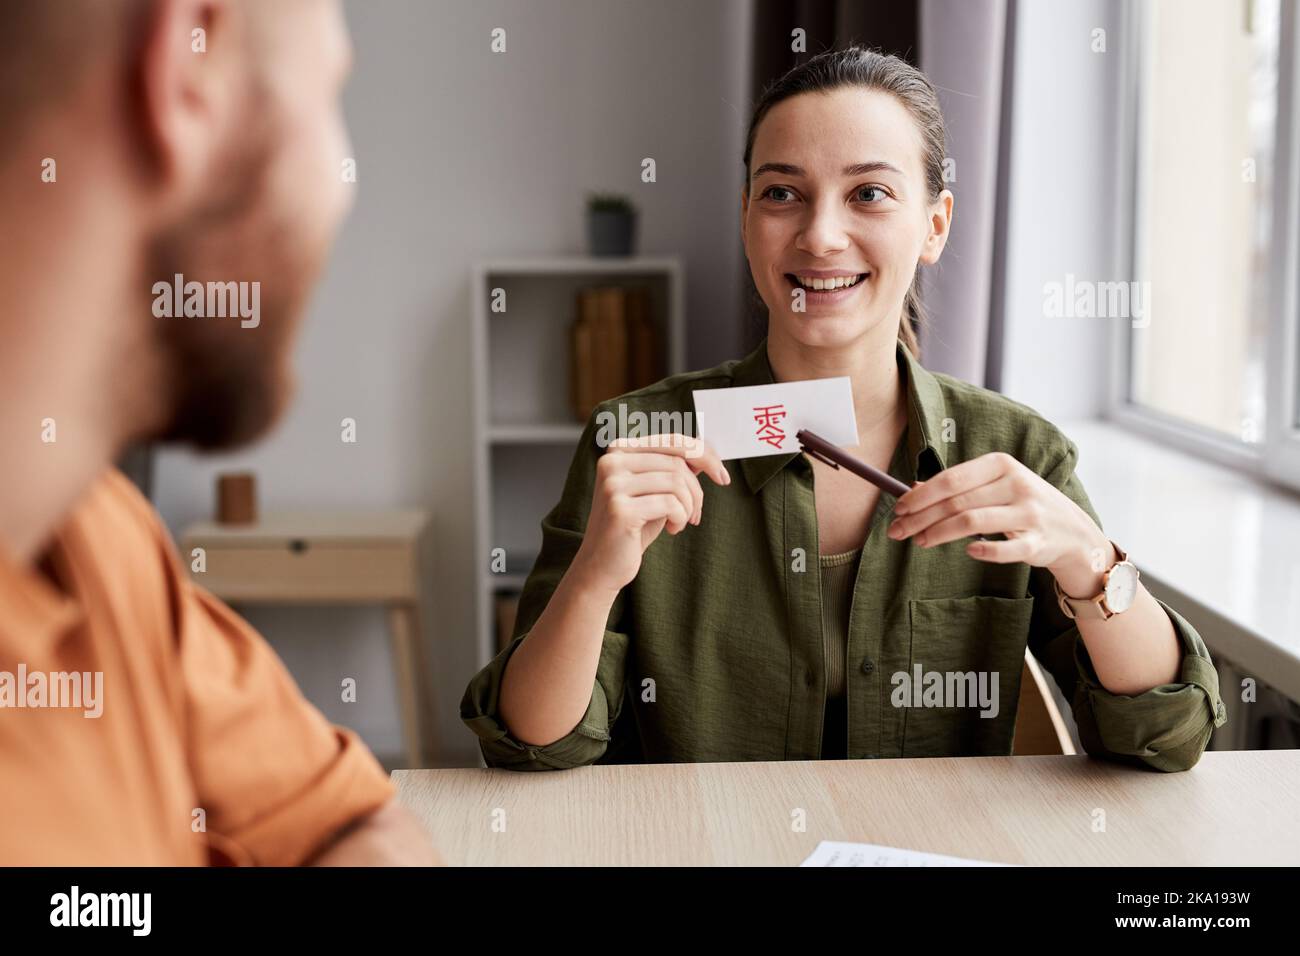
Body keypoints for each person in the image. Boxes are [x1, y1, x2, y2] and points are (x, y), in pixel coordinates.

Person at [462, 46, 1227, 772]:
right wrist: (595, 575)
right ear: (747, 219)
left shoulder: (1016, 450)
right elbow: (531, 743)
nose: (821, 235)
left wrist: (1088, 561)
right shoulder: (636, 440)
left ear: (934, 225)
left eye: (869, 193)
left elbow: (1166, 734)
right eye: (782, 193)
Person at [0, 0, 437, 864]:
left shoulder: (102, 542)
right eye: (332, 91)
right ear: (189, 67)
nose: (343, 184)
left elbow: (356, 824)